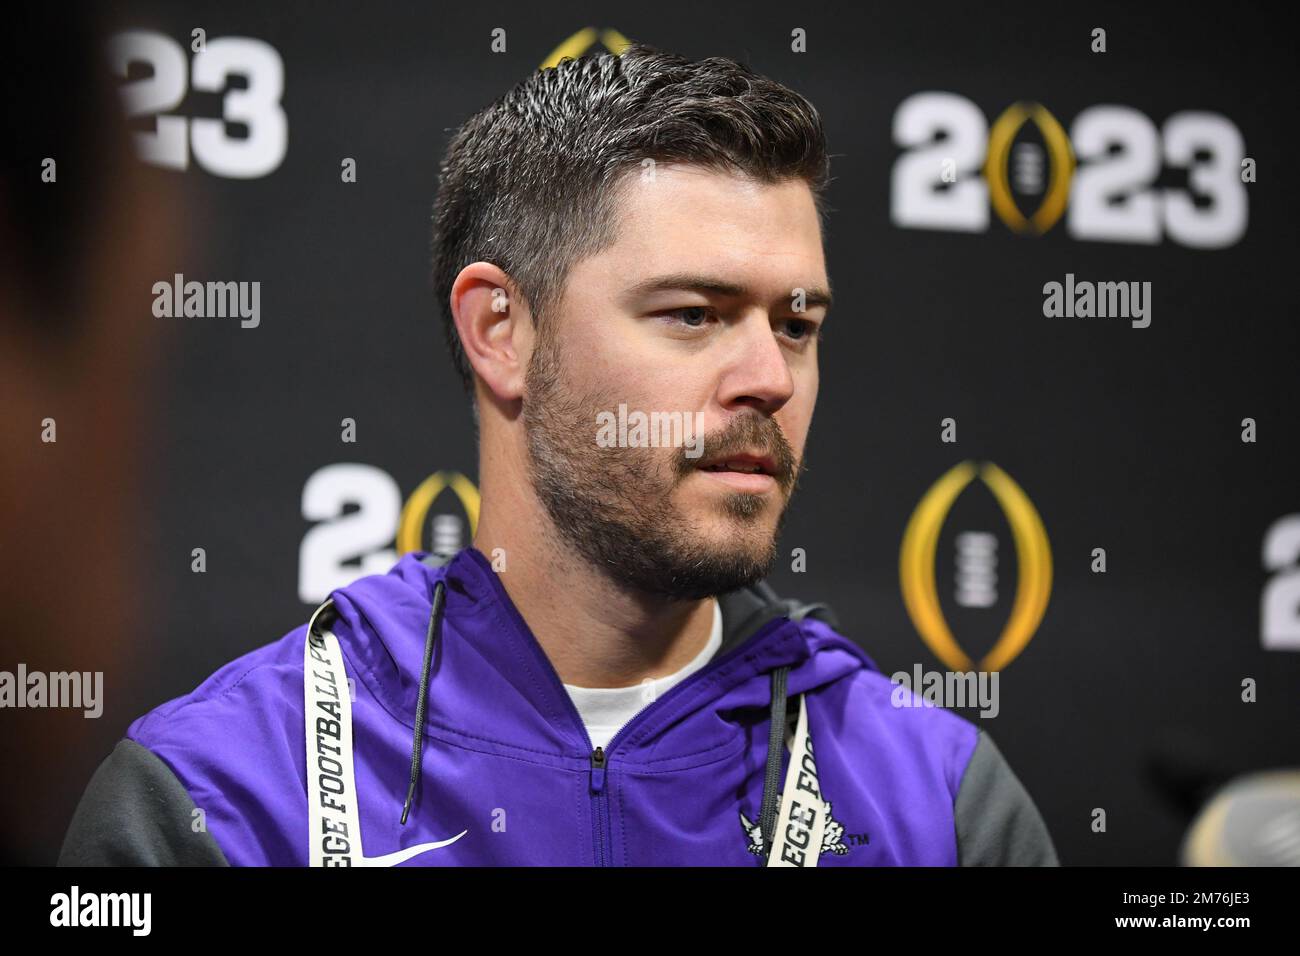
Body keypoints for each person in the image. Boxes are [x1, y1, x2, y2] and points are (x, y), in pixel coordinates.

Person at [59, 44, 1058, 866]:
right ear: (501, 330)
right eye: (694, 314)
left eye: (797, 323)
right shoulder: (219, 797)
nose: (770, 376)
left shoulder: (939, 802)